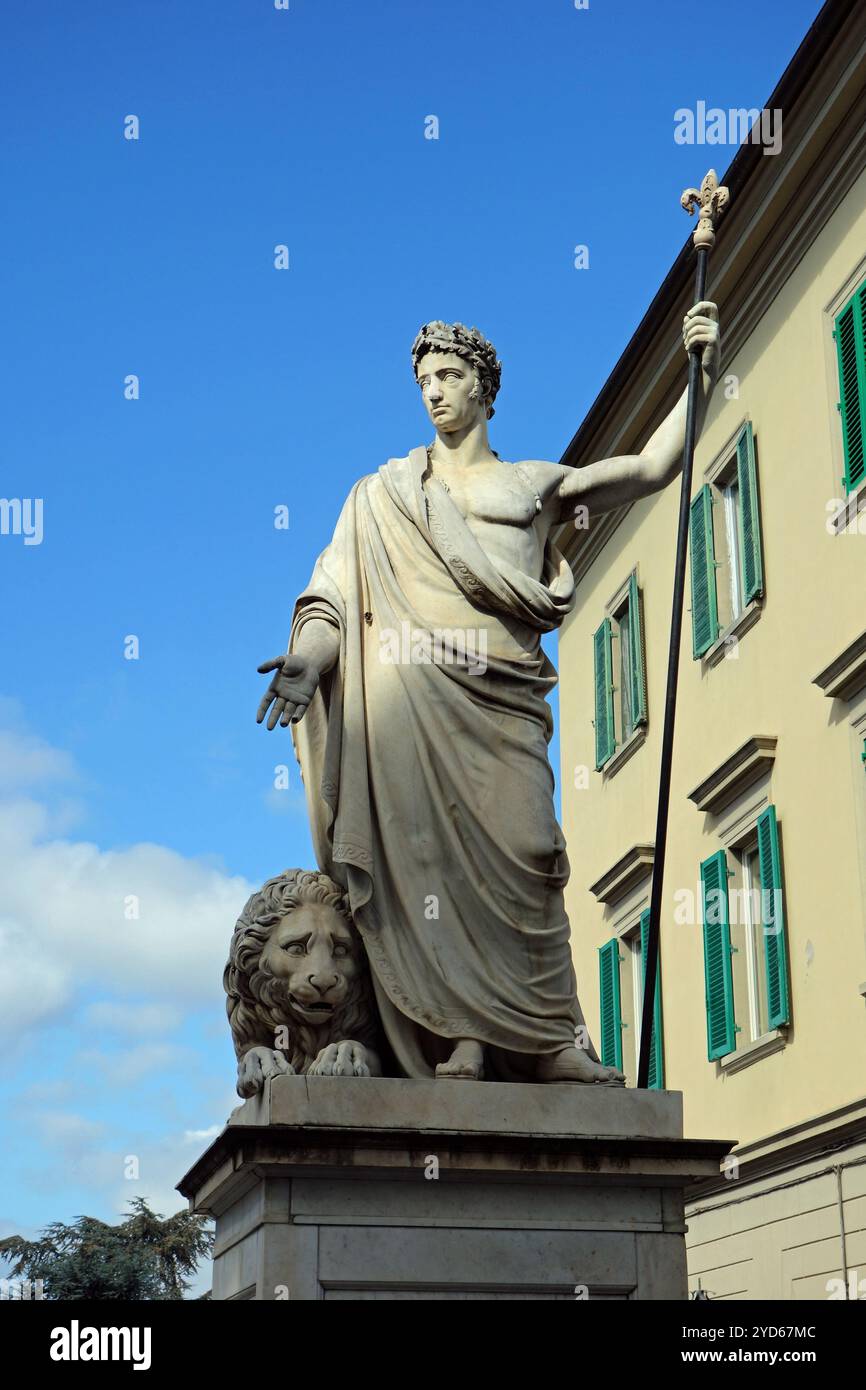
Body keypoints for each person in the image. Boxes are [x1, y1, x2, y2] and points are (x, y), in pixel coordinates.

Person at [256, 308, 720, 1083]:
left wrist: (699, 367)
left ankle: (550, 1039)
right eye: (425, 381)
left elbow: (651, 468)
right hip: (413, 705)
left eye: (449, 377)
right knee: (430, 868)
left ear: (484, 388)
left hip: (502, 707)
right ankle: (464, 1037)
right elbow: (332, 597)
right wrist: (309, 661)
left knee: (532, 856)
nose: (434, 394)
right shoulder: (384, 497)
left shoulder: (533, 485)